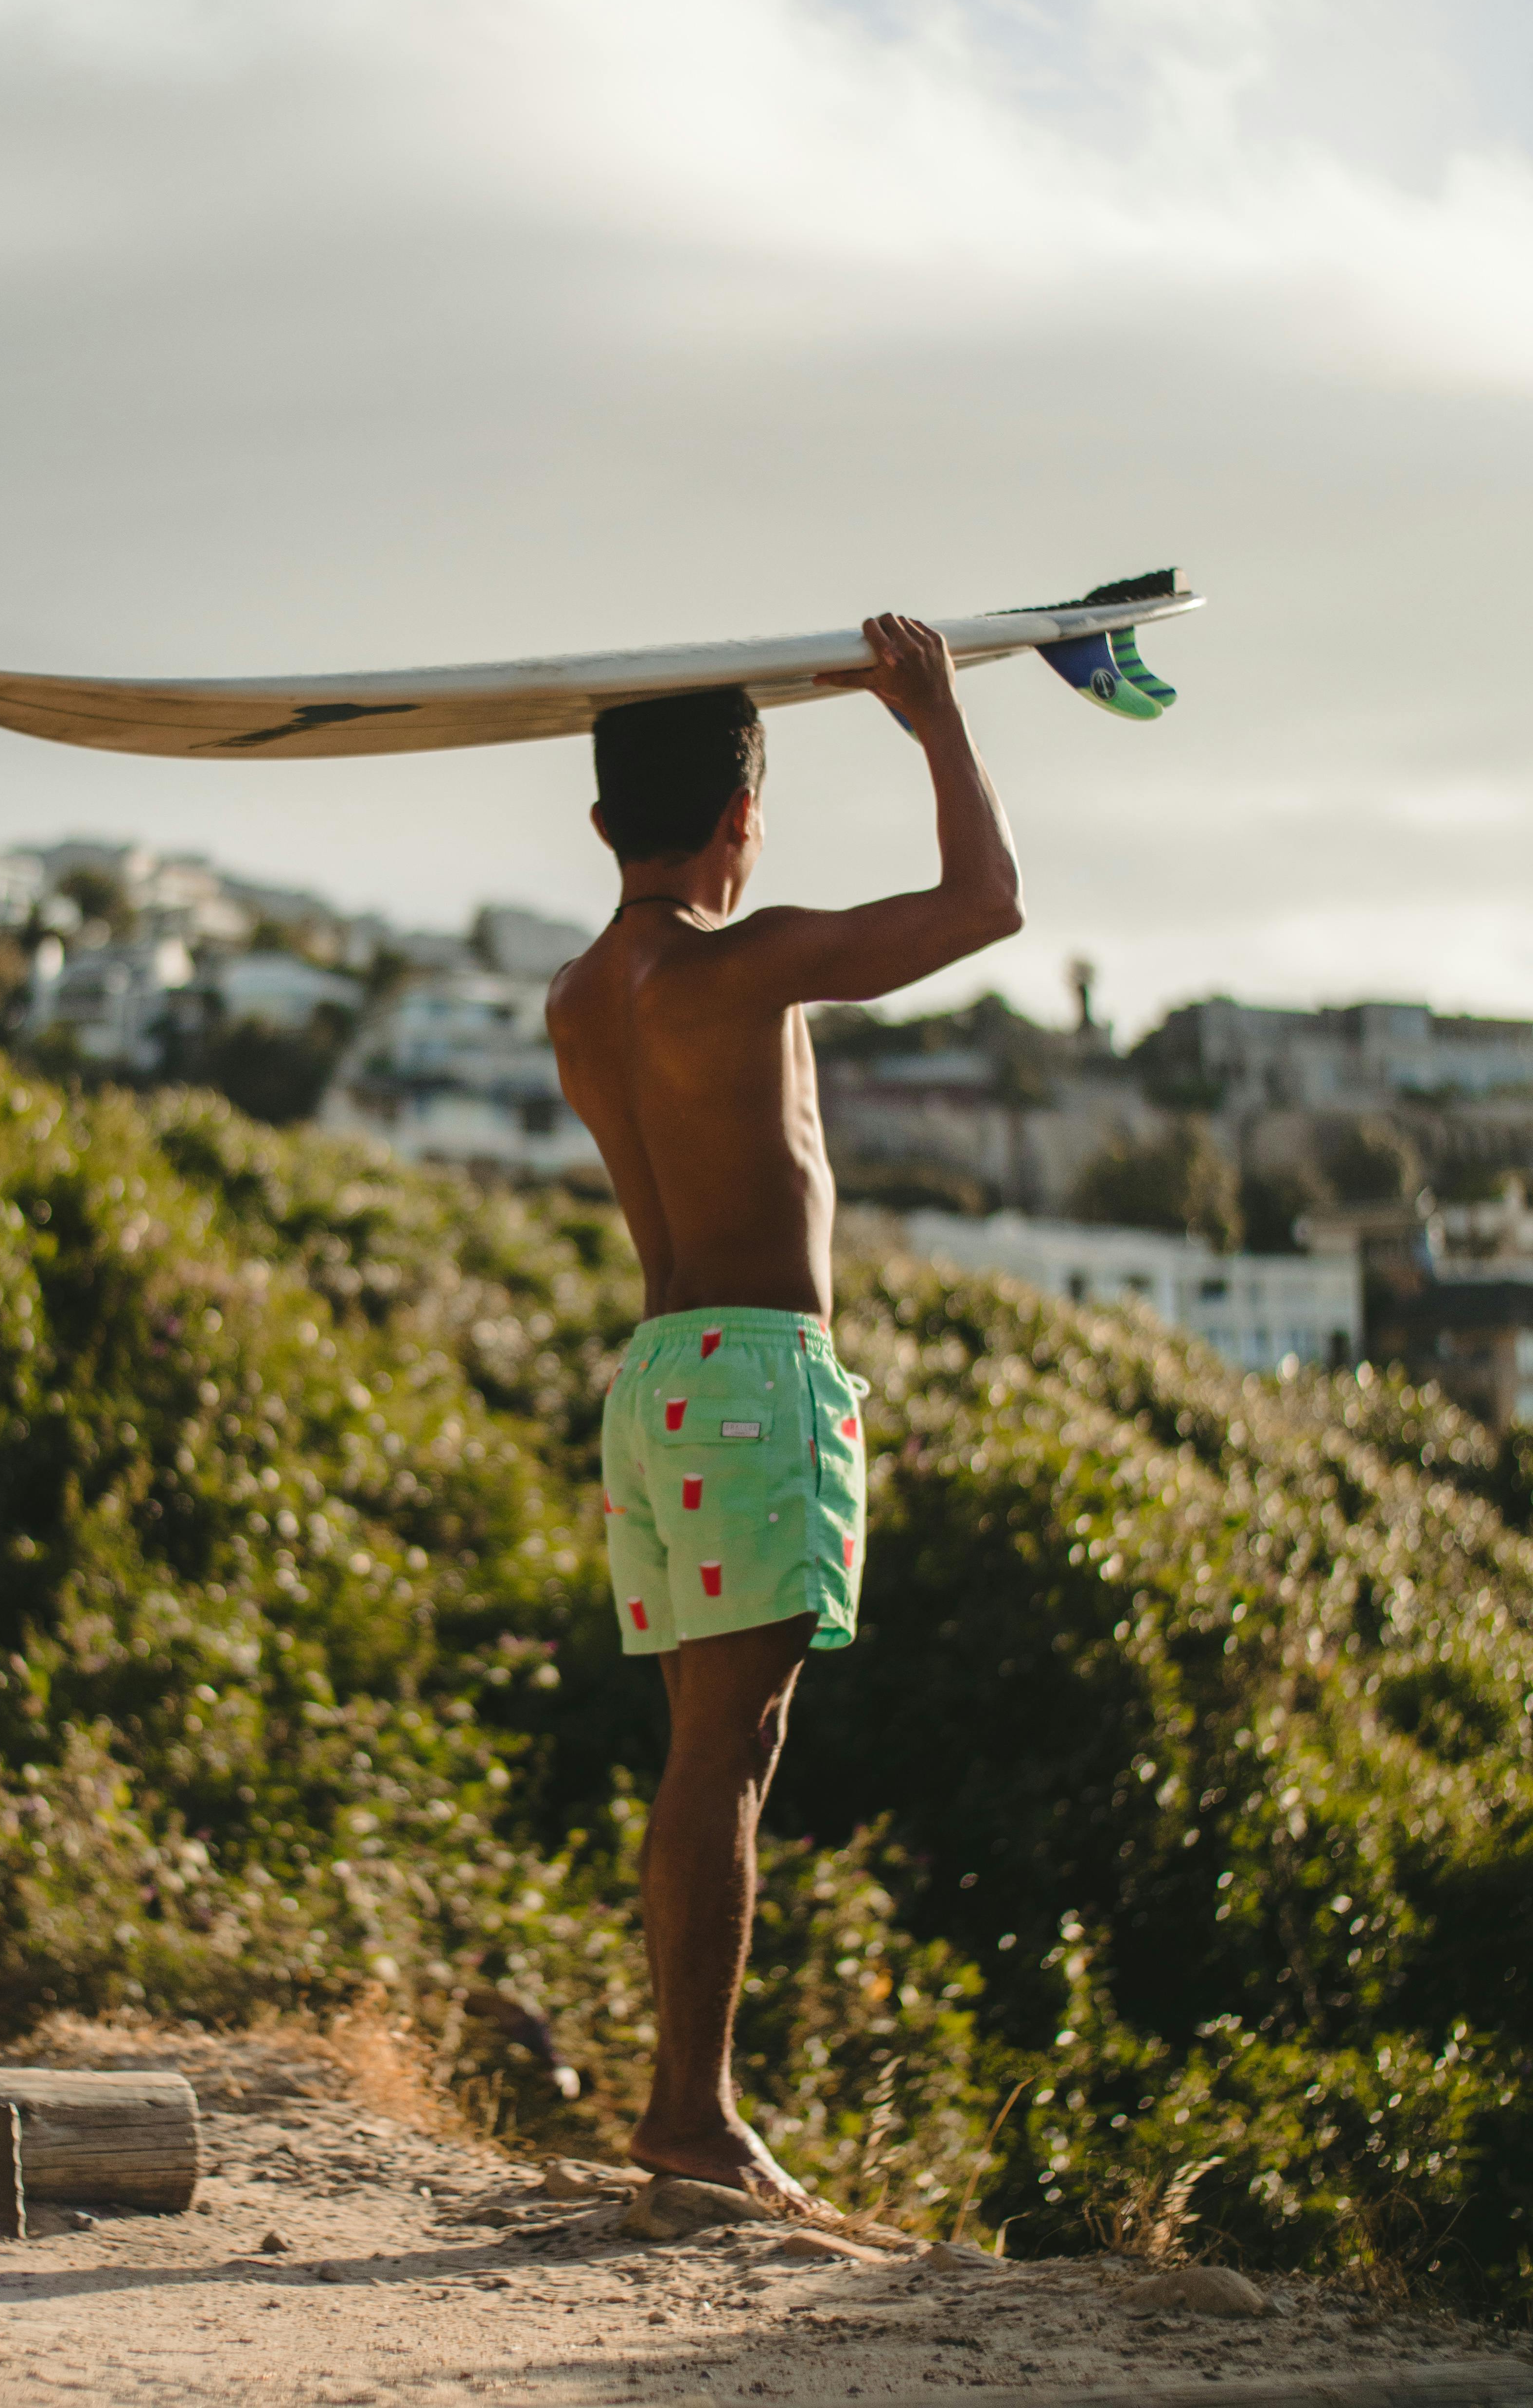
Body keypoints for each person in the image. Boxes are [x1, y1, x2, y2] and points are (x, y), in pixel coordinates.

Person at [545, 614, 1022, 2208]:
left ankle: (691, 2108)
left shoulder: (579, 998)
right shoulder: (747, 970)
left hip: (660, 1384)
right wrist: (937, 721)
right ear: (745, 819)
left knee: (706, 1749)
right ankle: (692, 2119)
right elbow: (987, 906)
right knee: (727, 1759)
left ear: (603, 823)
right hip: (752, 1380)